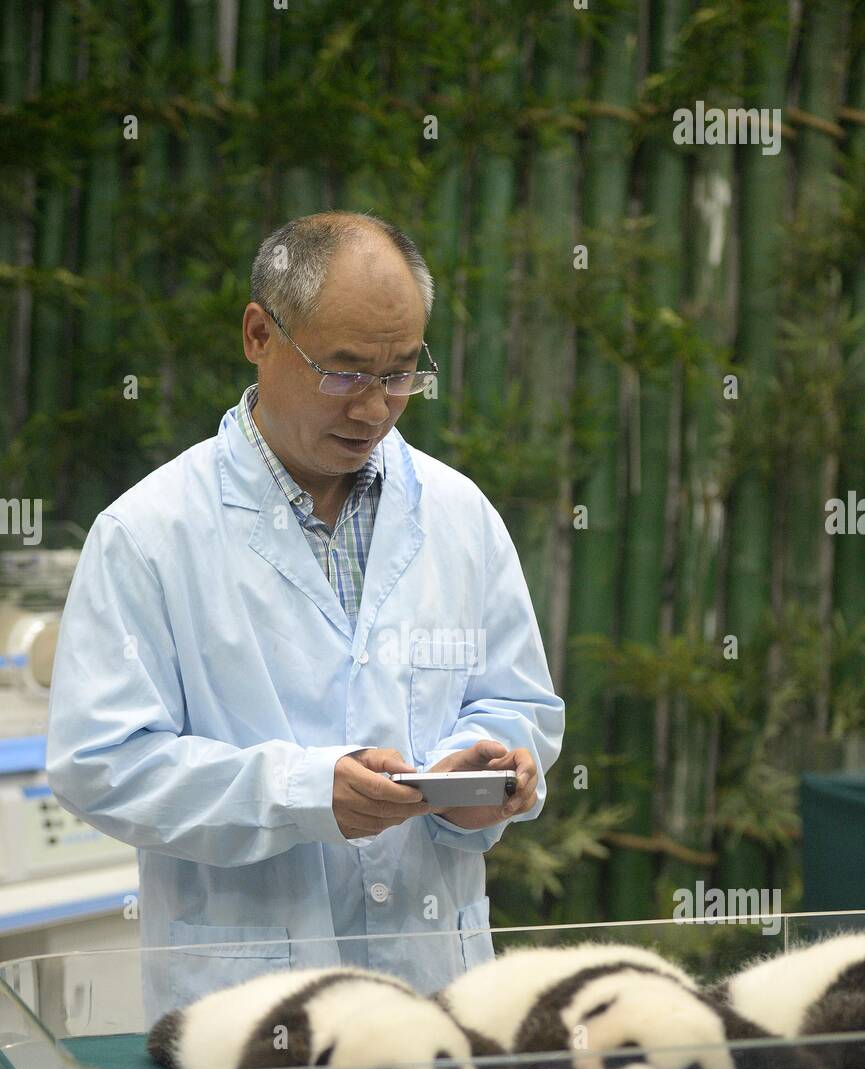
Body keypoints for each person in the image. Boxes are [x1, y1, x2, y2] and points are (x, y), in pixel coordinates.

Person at [46, 211, 565, 1025]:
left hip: (438, 986)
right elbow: (102, 765)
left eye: (401, 374)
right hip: (242, 1005)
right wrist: (299, 790)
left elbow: (517, 704)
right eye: (344, 371)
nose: (374, 408)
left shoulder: (459, 514)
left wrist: (487, 779)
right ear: (259, 332)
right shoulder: (149, 534)